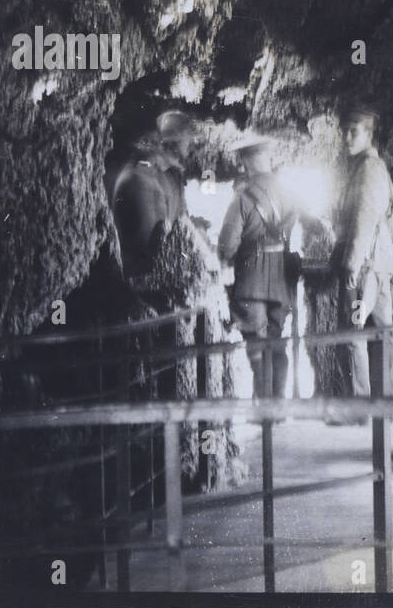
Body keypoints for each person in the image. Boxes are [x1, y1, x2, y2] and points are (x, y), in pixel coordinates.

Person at [218, 136, 297, 400]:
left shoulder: (242, 198)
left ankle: (264, 412)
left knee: (257, 345)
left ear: (245, 162)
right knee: (277, 342)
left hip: (251, 279)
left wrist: (225, 258)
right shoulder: (288, 193)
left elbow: (228, 245)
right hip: (281, 278)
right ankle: (278, 406)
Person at [332, 105, 393, 401]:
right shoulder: (373, 167)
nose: (347, 137)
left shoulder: (368, 169)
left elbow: (364, 218)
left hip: (363, 266)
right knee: (383, 333)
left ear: (369, 134)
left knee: (353, 335)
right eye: (345, 132)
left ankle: (361, 407)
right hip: (379, 263)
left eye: (353, 132)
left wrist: (351, 264)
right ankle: (386, 406)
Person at [111, 109, 197, 286]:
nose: (190, 151)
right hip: (139, 285)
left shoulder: (164, 178)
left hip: (155, 279)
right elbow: (151, 249)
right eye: (187, 143)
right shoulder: (138, 180)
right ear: (171, 144)